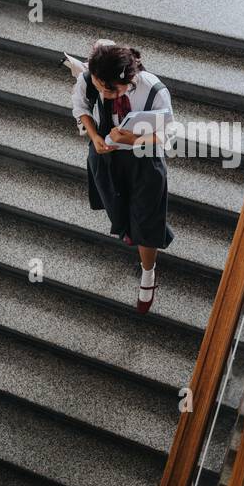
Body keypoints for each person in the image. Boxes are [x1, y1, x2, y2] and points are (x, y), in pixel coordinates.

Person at [68, 41, 173, 314]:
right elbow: (80, 108)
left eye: (111, 89)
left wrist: (134, 138)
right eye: (99, 86)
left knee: (147, 223)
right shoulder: (91, 77)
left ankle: (148, 273)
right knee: (118, 207)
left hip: (144, 162)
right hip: (105, 158)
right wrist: (94, 137)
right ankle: (129, 229)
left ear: (129, 79)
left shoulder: (154, 91)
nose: (105, 93)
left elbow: (166, 136)